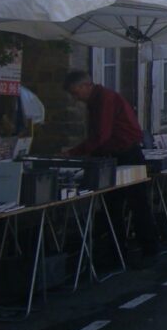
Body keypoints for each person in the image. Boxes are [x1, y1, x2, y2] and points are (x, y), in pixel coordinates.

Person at [63, 69, 161, 264]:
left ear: (86, 86)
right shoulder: (99, 100)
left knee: (137, 203)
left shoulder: (104, 99)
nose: (76, 98)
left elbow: (101, 135)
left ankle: (148, 250)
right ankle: (117, 250)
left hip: (127, 154)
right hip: (115, 154)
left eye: (76, 93)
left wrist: (74, 152)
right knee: (112, 205)